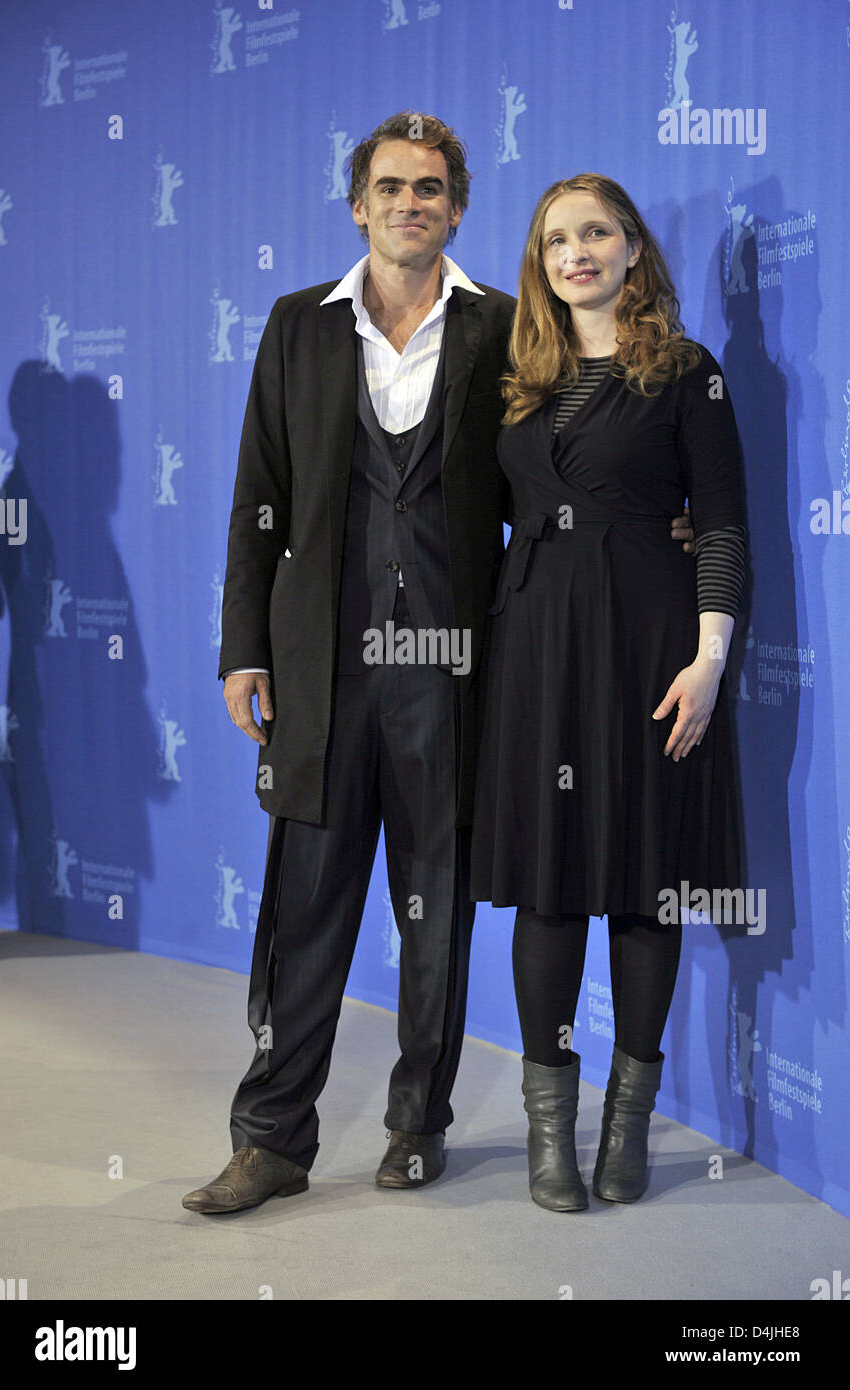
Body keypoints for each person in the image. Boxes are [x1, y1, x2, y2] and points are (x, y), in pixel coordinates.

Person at [183, 124, 694, 1215]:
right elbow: (253, 501)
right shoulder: (294, 328)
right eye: (388, 187)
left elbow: (559, 481)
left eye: (429, 188)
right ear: (357, 205)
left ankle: (418, 1126)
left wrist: (663, 532)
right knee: (304, 912)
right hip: (323, 673)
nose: (408, 202)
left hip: (461, 673)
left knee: (437, 920)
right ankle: (270, 1138)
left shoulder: (507, 334)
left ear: (457, 208)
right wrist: (243, 649)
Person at [469, 174, 747, 1213]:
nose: (575, 253)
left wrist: (709, 658)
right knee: (546, 889)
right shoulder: (515, 375)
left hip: (650, 647)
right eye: (555, 241)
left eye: (594, 234)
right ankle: (553, 1136)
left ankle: (625, 1127)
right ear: (539, 264)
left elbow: (719, 524)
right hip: (536, 647)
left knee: (642, 882)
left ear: (633, 248)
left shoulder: (685, 373)